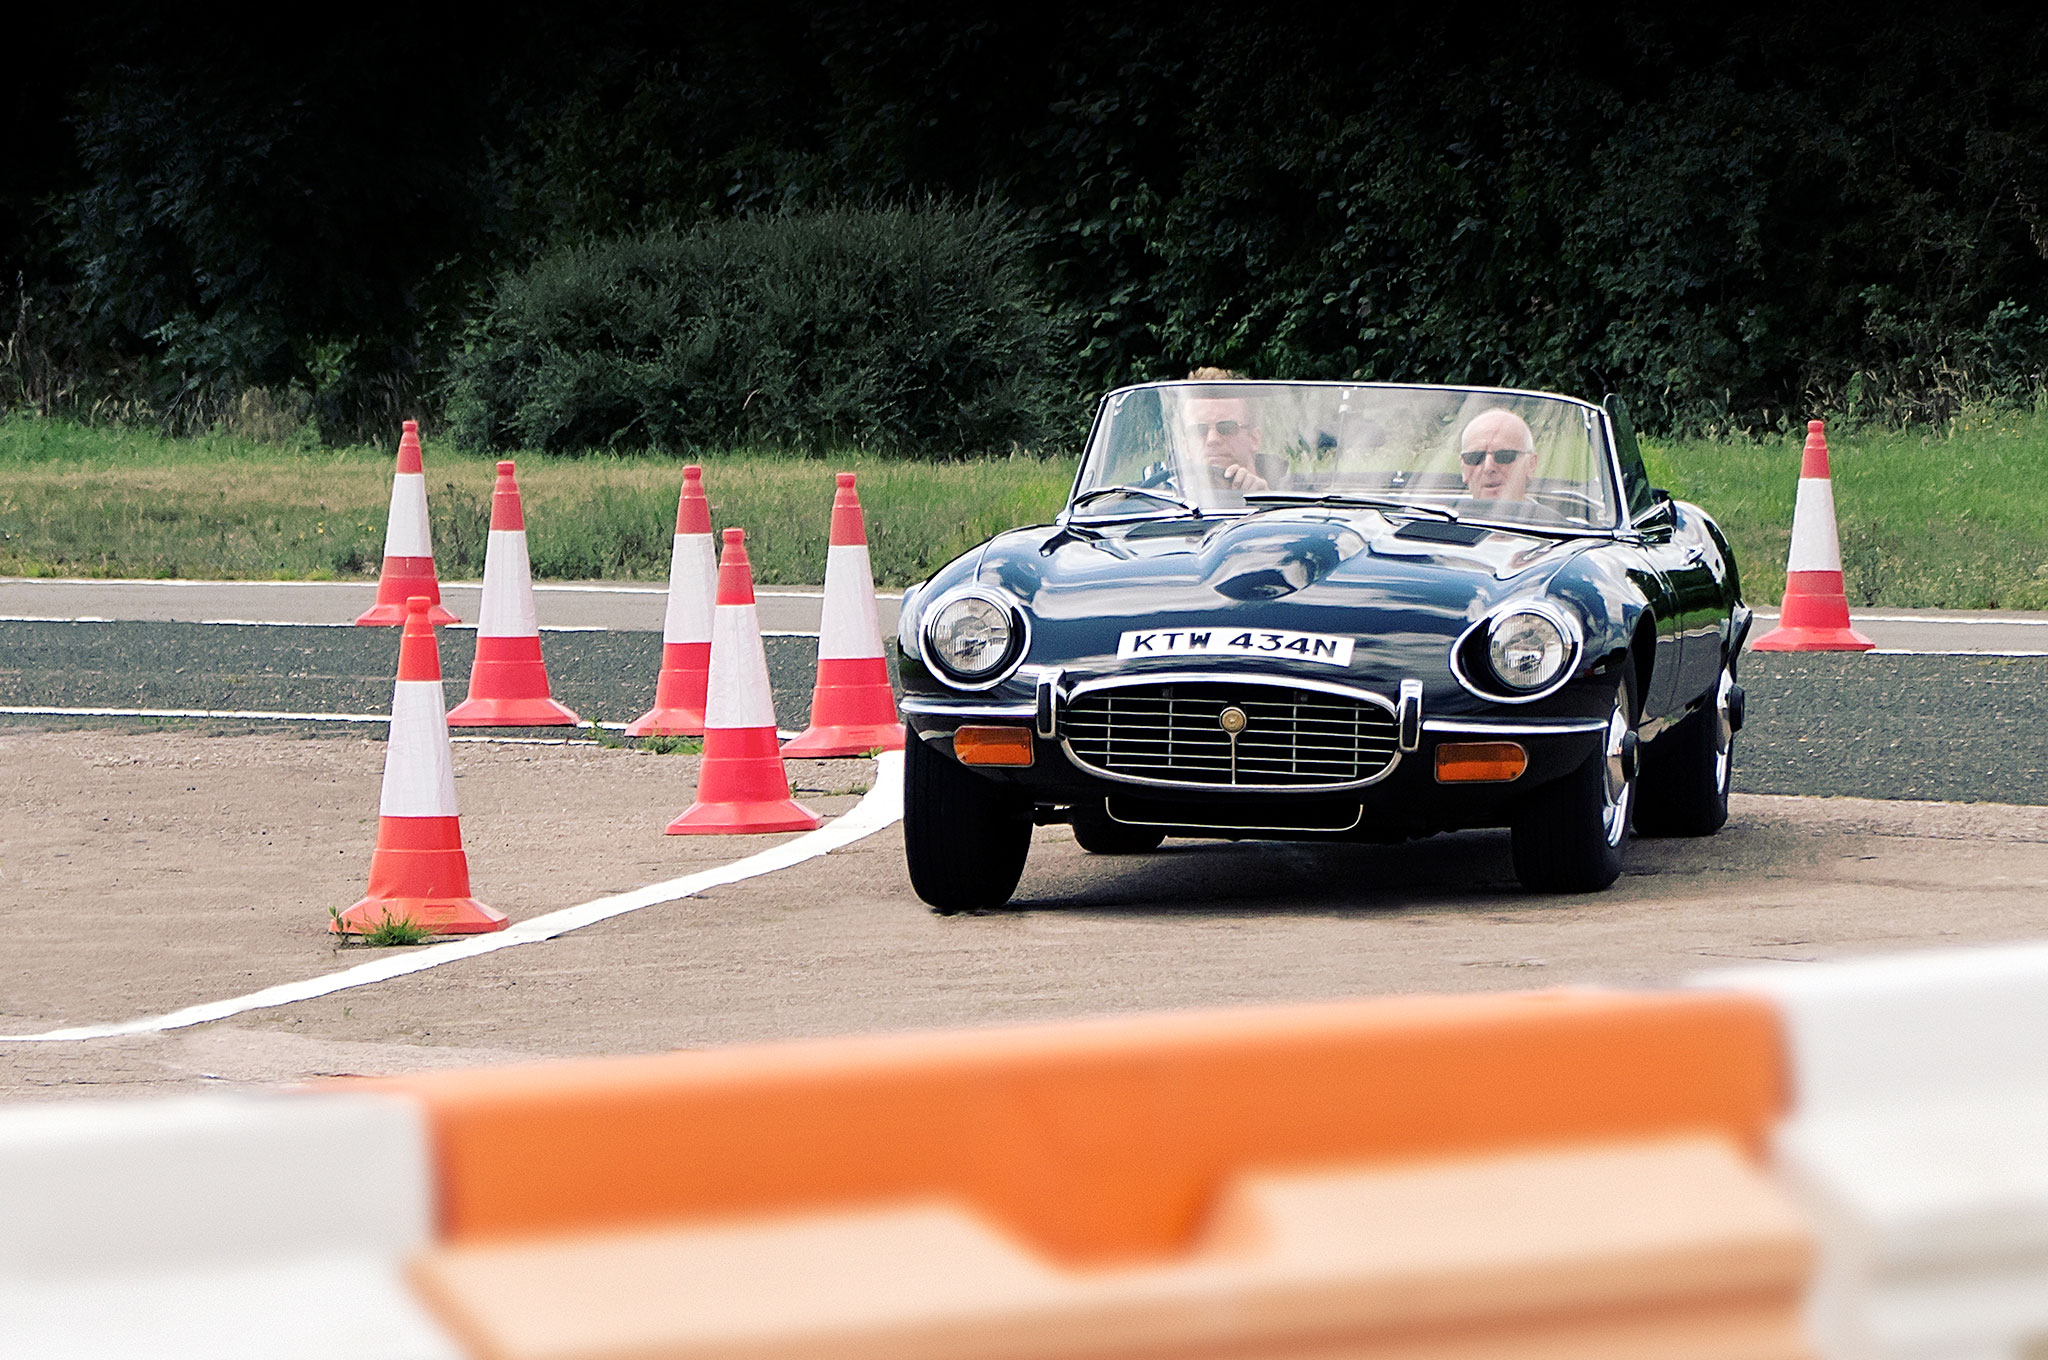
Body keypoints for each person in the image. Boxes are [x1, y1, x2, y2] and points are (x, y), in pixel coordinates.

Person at [1183, 367, 1270, 493]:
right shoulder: (1164, 496)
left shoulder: (1291, 491)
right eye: (1199, 429)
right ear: (1186, 445)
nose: (1212, 439)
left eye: (1226, 427)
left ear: (1254, 438)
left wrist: (1267, 498)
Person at [1457, 408, 1540, 500]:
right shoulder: (1446, 508)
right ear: (1463, 468)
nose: (1488, 468)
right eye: (1476, 458)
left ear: (1531, 464)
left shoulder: (1548, 510)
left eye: (1503, 456)